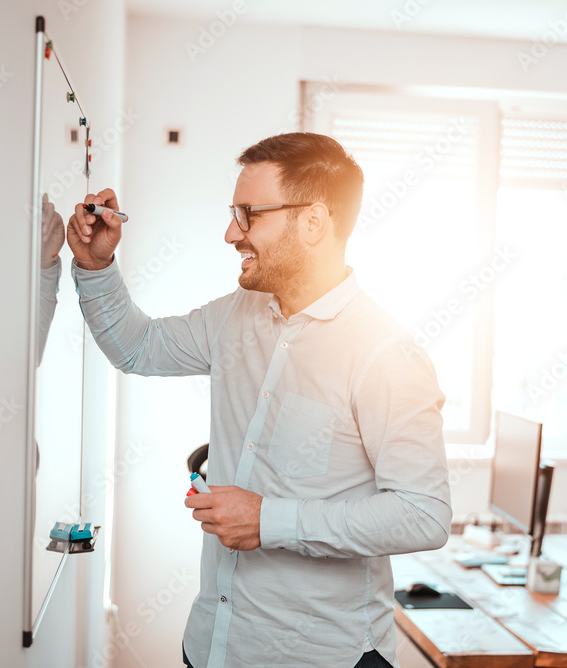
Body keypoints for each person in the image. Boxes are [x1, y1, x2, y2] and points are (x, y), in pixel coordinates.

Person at [67, 132, 451, 668]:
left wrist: (268, 520)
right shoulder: (236, 315)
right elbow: (138, 347)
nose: (231, 233)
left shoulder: (386, 355)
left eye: (248, 215)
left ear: (313, 222)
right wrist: (96, 266)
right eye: (233, 214)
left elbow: (423, 514)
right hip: (214, 646)